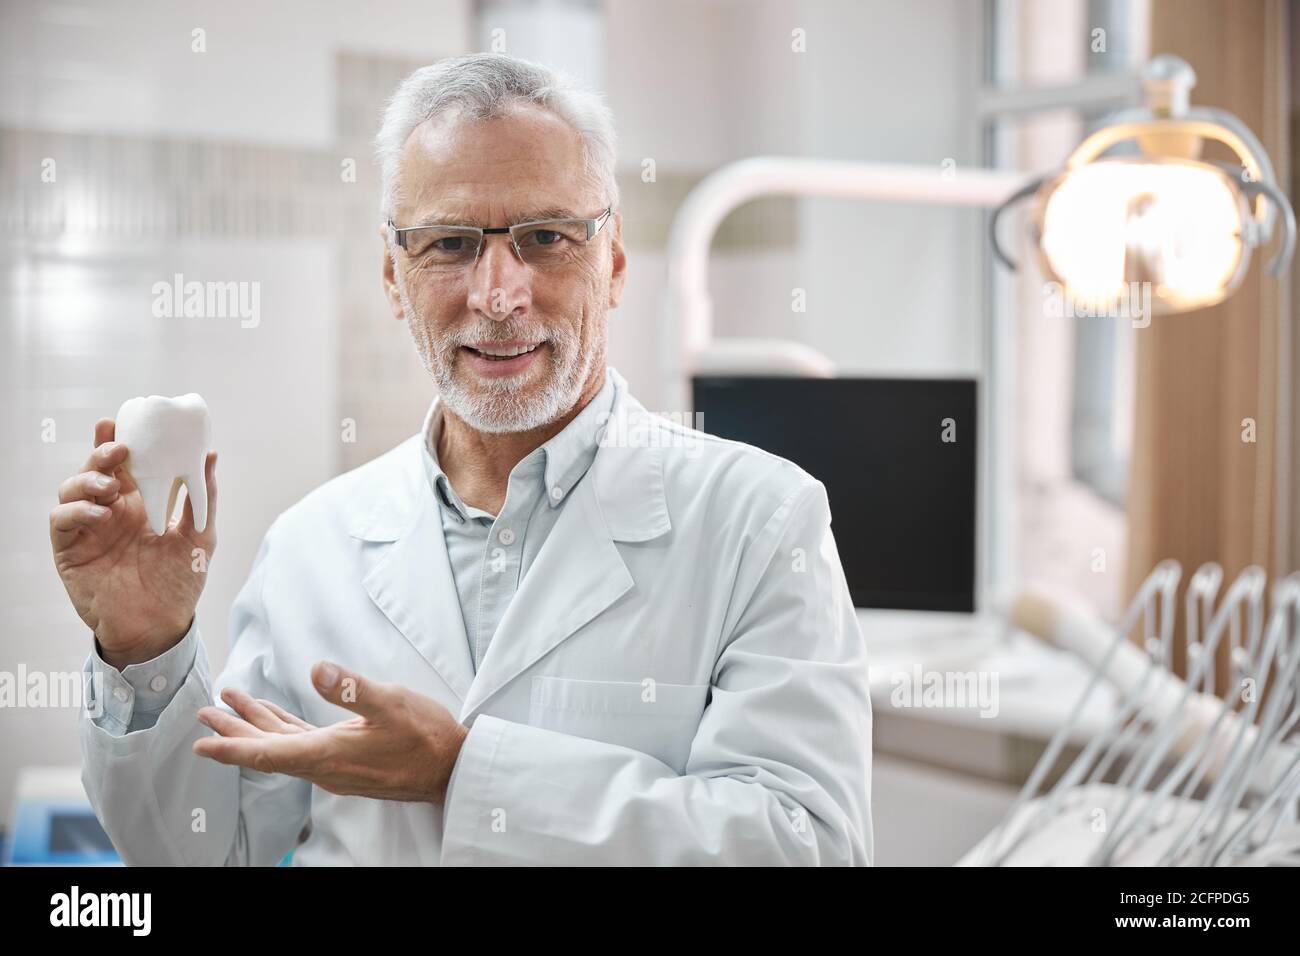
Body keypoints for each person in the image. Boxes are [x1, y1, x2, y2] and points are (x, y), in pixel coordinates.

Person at [51, 53, 872, 865]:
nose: (497, 295)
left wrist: (462, 772)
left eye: (546, 237)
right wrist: (145, 646)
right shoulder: (312, 546)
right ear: (392, 275)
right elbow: (208, 854)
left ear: (614, 262)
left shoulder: (761, 521)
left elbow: (811, 848)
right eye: (448, 243)